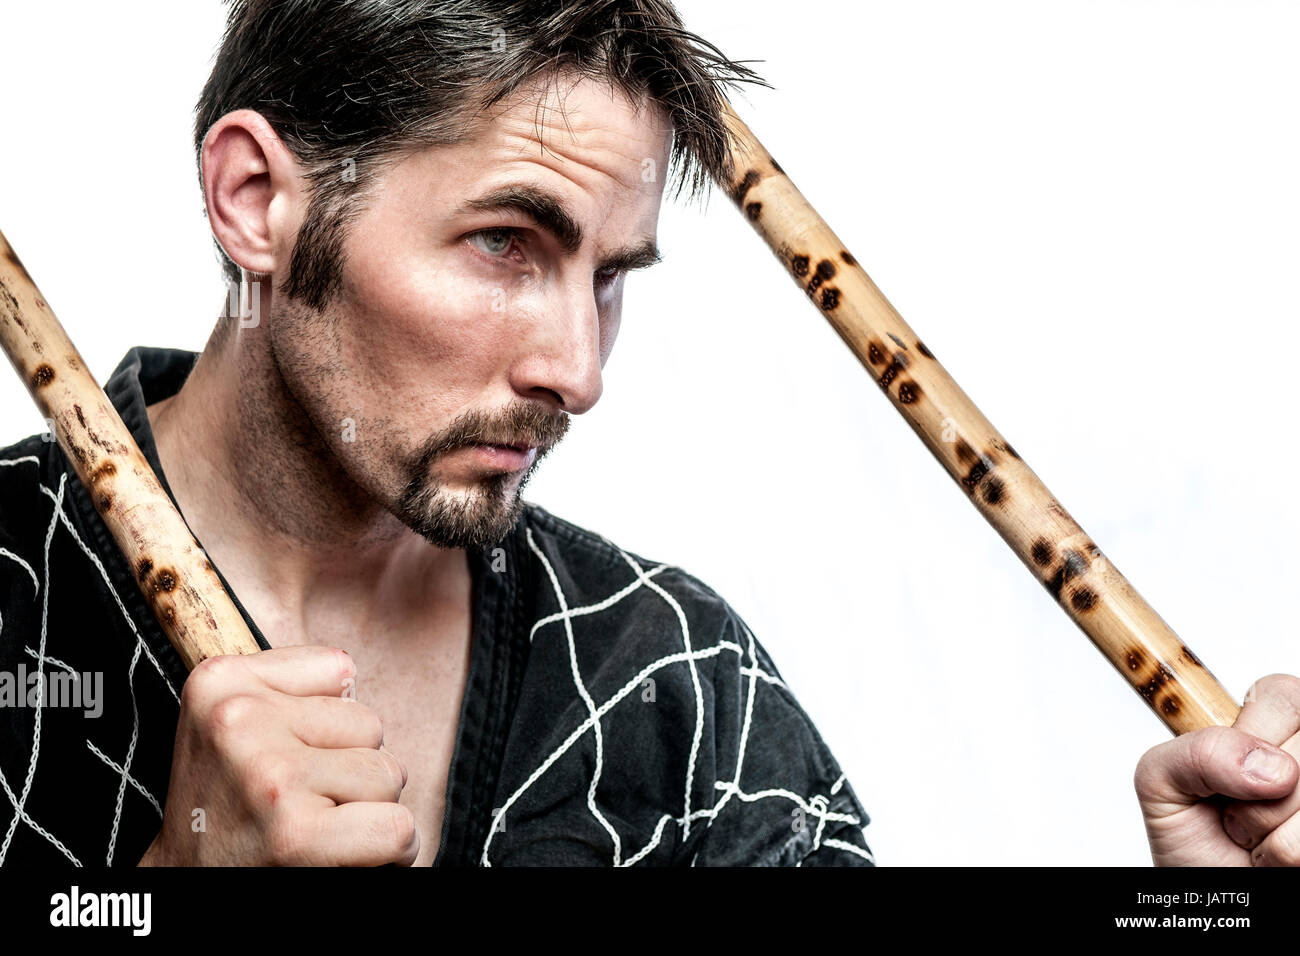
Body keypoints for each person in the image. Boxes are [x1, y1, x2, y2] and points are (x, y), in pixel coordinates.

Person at [0, 0, 1296, 869]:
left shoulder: (677, 684)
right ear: (256, 198)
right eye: (508, 243)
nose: (576, 369)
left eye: (610, 275)